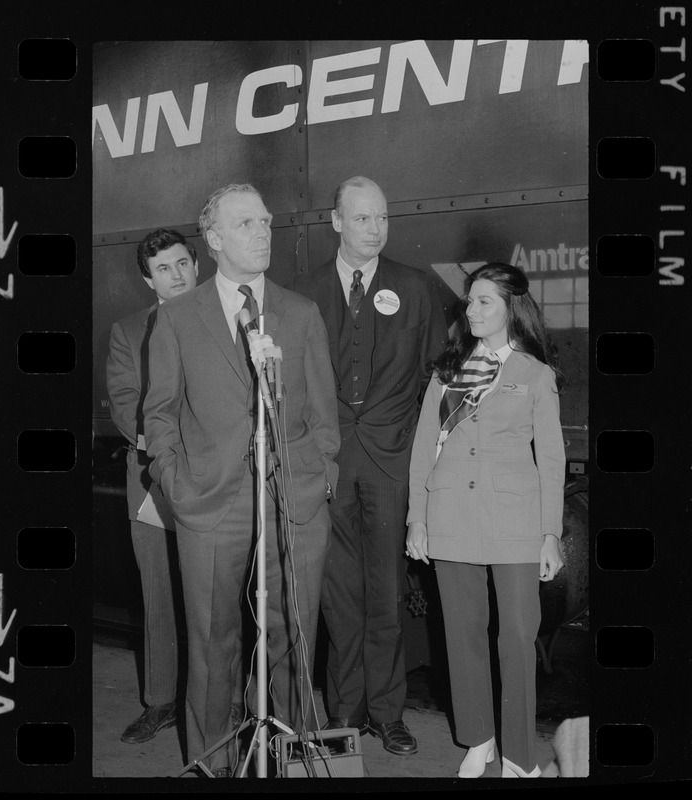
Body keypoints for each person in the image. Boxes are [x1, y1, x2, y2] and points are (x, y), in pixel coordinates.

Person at [143, 183, 340, 777]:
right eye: (247, 223)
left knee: (296, 640)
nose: (262, 232)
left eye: (266, 221)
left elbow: (324, 416)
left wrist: (318, 478)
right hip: (210, 504)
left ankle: (298, 759)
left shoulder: (299, 312)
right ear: (215, 239)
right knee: (211, 644)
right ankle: (211, 764)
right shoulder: (177, 317)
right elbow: (160, 414)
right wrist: (176, 484)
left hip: (294, 501)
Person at [289, 176, 447, 756]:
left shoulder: (415, 286)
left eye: (382, 218)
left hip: (389, 463)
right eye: (362, 218)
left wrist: (415, 447)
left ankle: (388, 713)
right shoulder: (301, 294)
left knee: (386, 595)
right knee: (339, 598)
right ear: (335, 222)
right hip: (327, 464)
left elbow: (437, 376)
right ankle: (345, 714)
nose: (375, 229)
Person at [406, 262, 566, 778]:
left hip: (515, 523)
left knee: (518, 637)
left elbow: (553, 458)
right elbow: (422, 452)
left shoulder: (535, 374)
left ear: (509, 308)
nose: (471, 311)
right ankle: (479, 739)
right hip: (450, 515)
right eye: (469, 302)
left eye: (484, 302)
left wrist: (550, 534)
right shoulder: (446, 372)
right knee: (462, 635)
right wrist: (418, 518)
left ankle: (520, 755)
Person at [106, 227, 199, 743]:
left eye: (183, 263)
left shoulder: (231, 321)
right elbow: (124, 406)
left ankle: (221, 701)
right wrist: (172, 454)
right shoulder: (127, 331)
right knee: (158, 592)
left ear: (198, 265)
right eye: (163, 268)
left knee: (217, 594)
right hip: (151, 476)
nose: (176, 274)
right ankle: (161, 702)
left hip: (219, 480)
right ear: (148, 279)